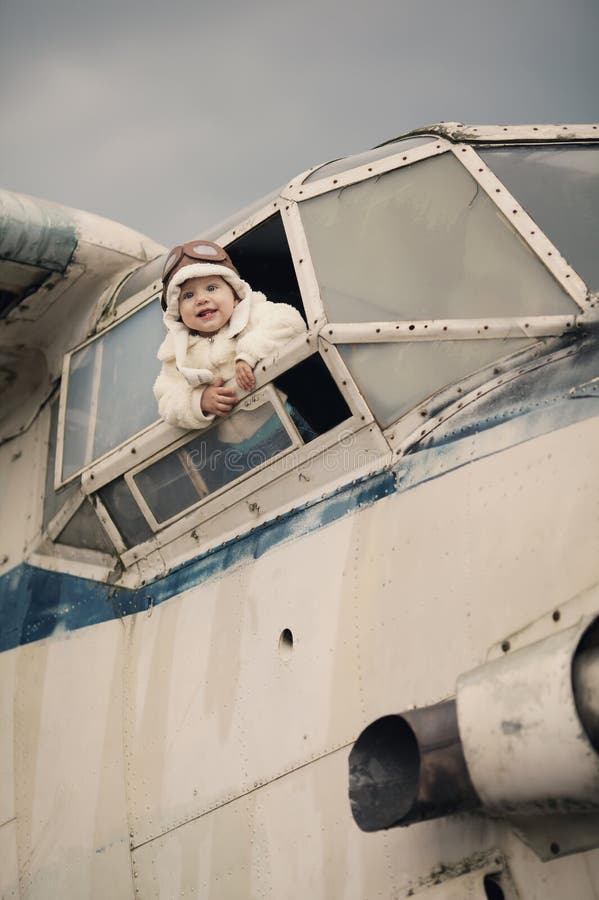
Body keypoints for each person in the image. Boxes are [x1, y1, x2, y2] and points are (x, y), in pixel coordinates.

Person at [153, 240, 307, 430]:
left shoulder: (252, 315)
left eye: (211, 288)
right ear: (178, 313)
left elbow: (290, 322)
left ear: (235, 297)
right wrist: (198, 401)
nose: (201, 299)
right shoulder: (177, 355)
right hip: (228, 450)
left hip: (282, 421)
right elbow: (166, 400)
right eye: (188, 296)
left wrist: (247, 355)